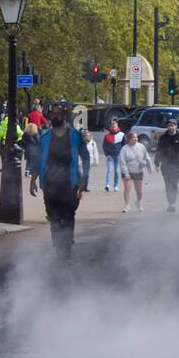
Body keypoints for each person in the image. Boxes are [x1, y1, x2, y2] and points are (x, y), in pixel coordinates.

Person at [30, 103, 89, 262]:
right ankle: (58, 249)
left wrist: (84, 180)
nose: (56, 116)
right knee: (54, 218)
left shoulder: (75, 136)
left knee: (68, 216)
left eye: (59, 114)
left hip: (70, 183)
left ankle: (67, 250)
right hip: (50, 183)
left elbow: (86, 157)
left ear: (64, 115)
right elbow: (37, 159)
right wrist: (33, 180)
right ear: (49, 116)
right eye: (53, 114)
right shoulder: (44, 137)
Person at [156, 121, 179, 212]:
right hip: (165, 165)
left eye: (172, 125)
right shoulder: (163, 138)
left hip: (177, 166)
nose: (170, 127)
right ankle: (170, 202)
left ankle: (173, 203)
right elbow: (158, 151)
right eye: (169, 125)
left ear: (176, 126)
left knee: (174, 184)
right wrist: (157, 163)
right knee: (168, 185)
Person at [118, 132, 152, 213]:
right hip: (128, 172)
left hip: (138, 171)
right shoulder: (124, 149)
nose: (136, 139)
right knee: (127, 189)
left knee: (139, 191)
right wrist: (126, 174)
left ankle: (138, 202)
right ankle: (126, 205)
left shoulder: (141, 147)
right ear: (129, 139)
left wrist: (150, 168)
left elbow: (147, 158)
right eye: (133, 137)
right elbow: (122, 162)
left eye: (136, 137)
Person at [102, 120, 124, 192]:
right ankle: (107, 185)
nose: (113, 127)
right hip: (110, 156)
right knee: (109, 171)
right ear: (110, 127)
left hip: (118, 156)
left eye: (114, 126)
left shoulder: (122, 135)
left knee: (117, 171)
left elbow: (124, 145)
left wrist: (123, 154)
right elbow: (104, 146)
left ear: (117, 126)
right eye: (112, 126)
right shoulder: (107, 136)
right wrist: (107, 154)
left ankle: (116, 186)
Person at [21, 122, 42, 186]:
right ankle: (30, 172)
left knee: (28, 161)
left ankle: (27, 171)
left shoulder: (25, 134)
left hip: (27, 150)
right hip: (34, 150)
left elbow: (22, 142)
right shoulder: (36, 134)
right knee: (33, 161)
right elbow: (38, 142)